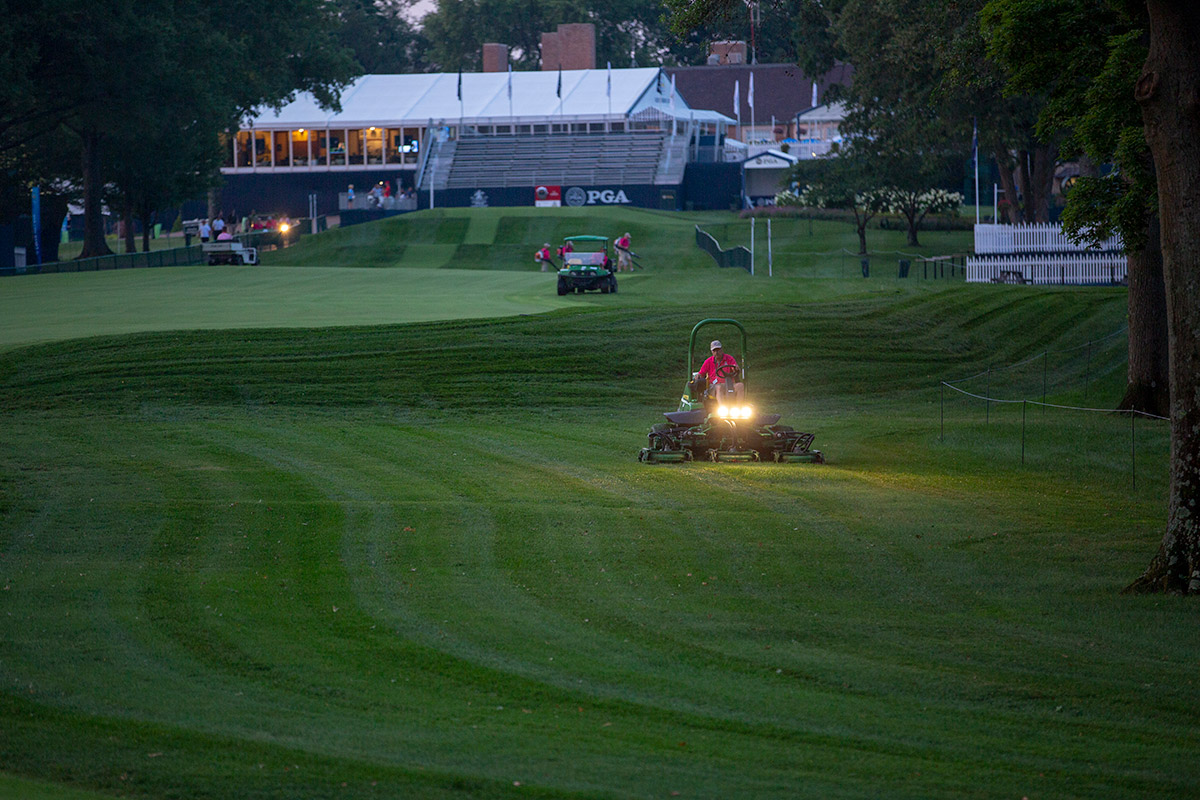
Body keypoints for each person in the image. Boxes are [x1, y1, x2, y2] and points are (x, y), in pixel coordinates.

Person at [696, 340, 745, 405]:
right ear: (712, 352)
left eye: (718, 350)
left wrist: (735, 368)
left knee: (740, 386)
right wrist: (698, 376)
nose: (717, 352)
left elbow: (734, 367)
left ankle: (739, 408)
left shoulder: (729, 359)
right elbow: (701, 373)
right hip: (714, 386)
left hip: (729, 384)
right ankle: (723, 409)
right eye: (714, 351)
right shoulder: (708, 361)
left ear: (722, 349)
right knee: (719, 387)